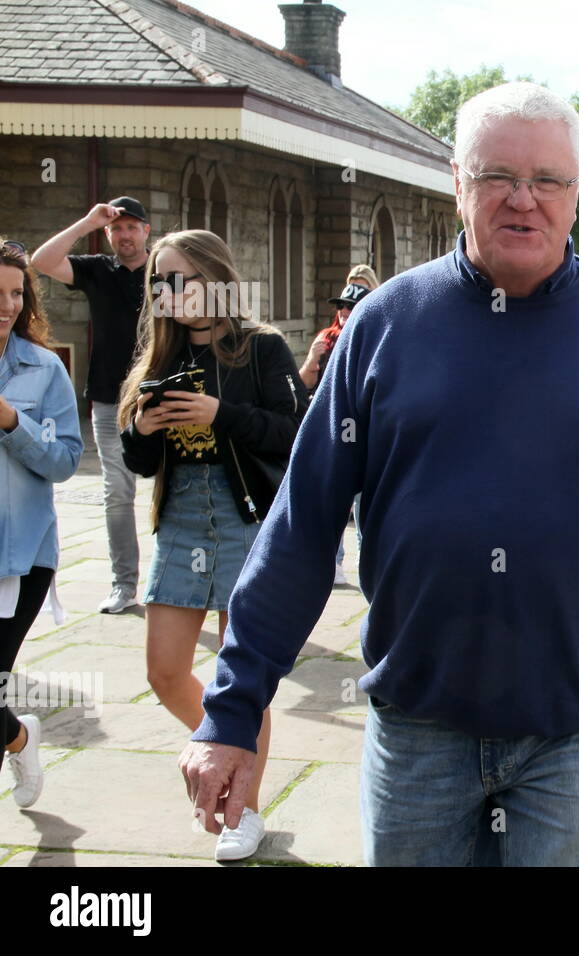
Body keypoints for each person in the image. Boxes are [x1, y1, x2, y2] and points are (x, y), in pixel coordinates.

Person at [178, 82, 579, 868]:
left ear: (575, 193)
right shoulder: (384, 327)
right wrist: (231, 707)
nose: (523, 201)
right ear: (457, 182)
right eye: (498, 176)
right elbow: (301, 525)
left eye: (547, 181)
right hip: (420, 732)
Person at [118, 230, 308, 861]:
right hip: (180, 524)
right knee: (164, 672)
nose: (171, 293)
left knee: (241, 676)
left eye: (183, 278)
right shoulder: (161, 356)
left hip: (245, 519)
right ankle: (217, 743)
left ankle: (242, 811)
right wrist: (142, 428)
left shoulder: (261, 348)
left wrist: (219, 415)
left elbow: (295, 433)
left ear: (218, 277)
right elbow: (140, 462)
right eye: (160, 282)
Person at [31, 197, 151, 615]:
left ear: (146, 232)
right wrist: (87, 221)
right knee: (117, 491)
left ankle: (179, 581)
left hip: (159, 395)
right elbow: (42, 260)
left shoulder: (165, 271)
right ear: (108, 234)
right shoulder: (99, 270)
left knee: (175, 491)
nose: (125, 235)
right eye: (118, 228)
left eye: (132, 227)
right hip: (109, 398)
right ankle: (125, 585)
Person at [0, 239, 83, 808]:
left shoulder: (44, 368)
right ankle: (19, 736)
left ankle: (19, 736)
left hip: (21, 556)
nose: (7, 304)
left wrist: (10, 421)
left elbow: (66, 459)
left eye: (15, 293)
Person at [298, 281, 370, 585]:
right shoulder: (326, 339)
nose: (343, 311)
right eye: (340, 305)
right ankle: (334, 563)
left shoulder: (371, 336)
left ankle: (369, 562)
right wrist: (312, 358)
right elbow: (302, 385)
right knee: (333, 500)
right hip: (332, 432)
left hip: (365, 436)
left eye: (350, 306)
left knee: (363, 506)